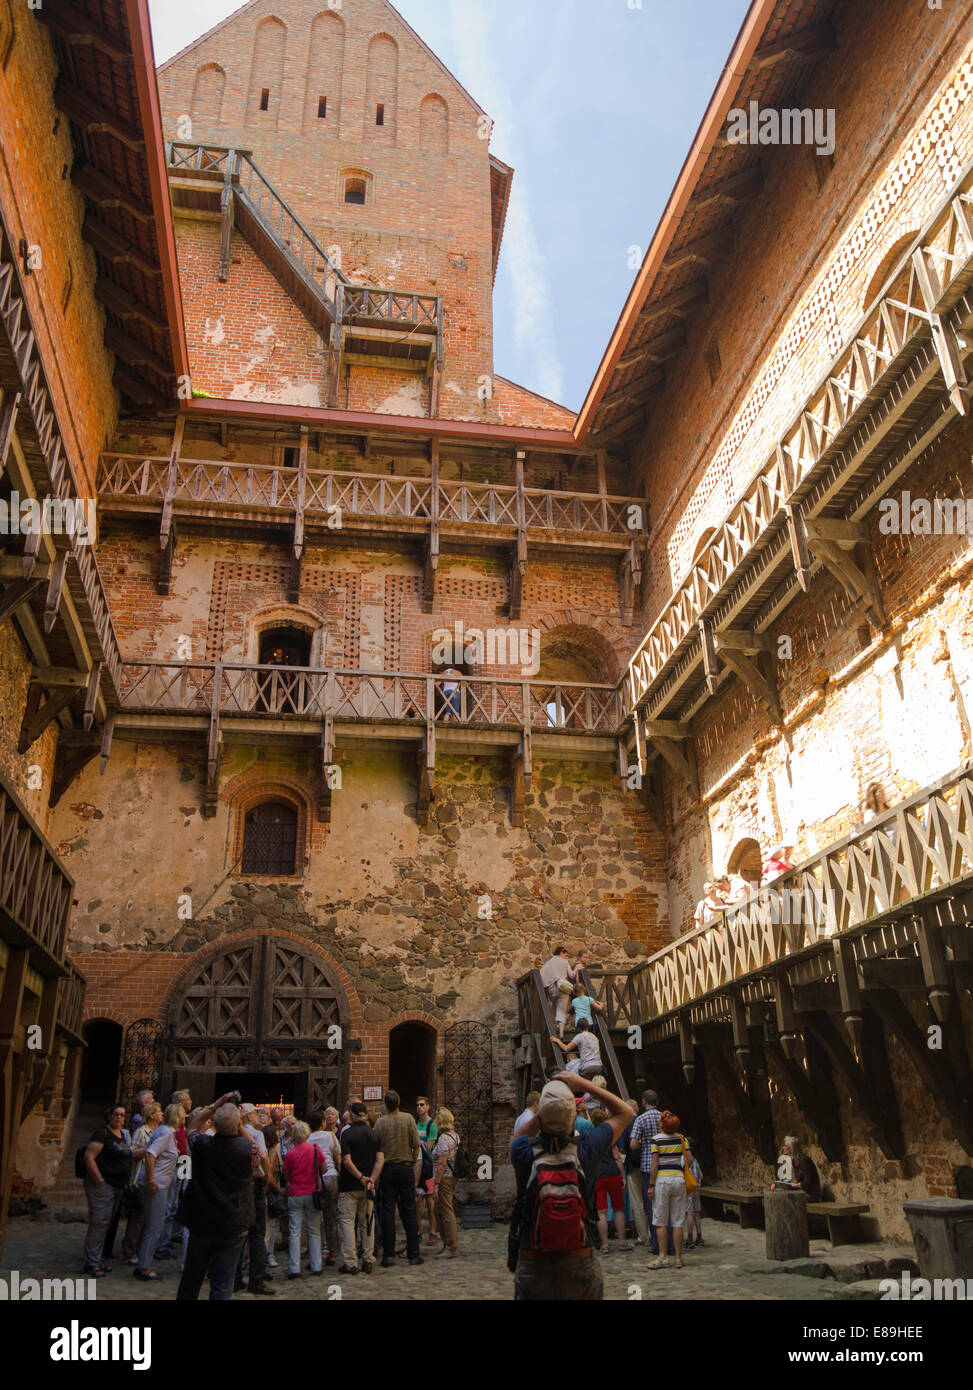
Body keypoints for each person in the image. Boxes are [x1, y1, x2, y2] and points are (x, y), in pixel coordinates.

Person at [509, 1072, 635, 1300]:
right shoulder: (587, 1148)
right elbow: (625, 1112)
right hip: (579, 1255)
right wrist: (584, 1084)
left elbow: (517, 1137)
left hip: (534, 1258)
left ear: (541, 1116)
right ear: (572, 1116)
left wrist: (544, 1112)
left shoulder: (523, 1152)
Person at [176, 1096, 256, 1301]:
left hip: (202, 1219)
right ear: (238, 1125)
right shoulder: (247, 1150)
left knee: (191, 1280)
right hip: (233, 1222)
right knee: (223, 1283)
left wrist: (215, 1105)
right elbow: (257, 1149)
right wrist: (239, 1125)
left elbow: (192, 1126)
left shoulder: (202, 1145)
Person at [82, 1103, 138, 1277]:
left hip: (116, 1185)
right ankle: (91, 1263)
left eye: (122, 1115)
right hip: (103, 1184)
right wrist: (98, 1179)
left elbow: (130, 1155)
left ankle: (97, 1259)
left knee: (105, 1223)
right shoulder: (102, 1134)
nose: (119, 1117)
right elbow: (89, 1156)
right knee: (99, 1222)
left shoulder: (122, 1135)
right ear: (109, 1116)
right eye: (116, 1114)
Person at [134, 1102, 184, 1281]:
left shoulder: (164, 1131)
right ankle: (144, 1268)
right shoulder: (166, 1133)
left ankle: (142, 1262)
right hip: (157, 1185)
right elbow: (150, 1154)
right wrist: (150, 1180)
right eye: (184, 1114)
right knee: (154, 1227)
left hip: (158, 1184)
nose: (185, 1117)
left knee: (151, 1225)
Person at [374, 1089, 423, 1267]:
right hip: (404, 1167)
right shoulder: (408, 1119)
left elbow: (375, 1147)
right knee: (409, 1211)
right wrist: (411, 1160)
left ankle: (388, 1255)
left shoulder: (380, 1123)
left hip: (387, 1169)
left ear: (386, 1104)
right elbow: (416, 1145)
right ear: (399, 1102)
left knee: (387, 1211)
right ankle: (413, 1254)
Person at [338, 1101, 384, 1274]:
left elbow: (346, 1161)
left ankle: (350, 1262)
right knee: (367, 1222)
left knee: (348, 1223)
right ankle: (368, 1259)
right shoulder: (374, 1134)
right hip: (368, 1187)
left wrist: (360, 1178)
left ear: (352, 1114)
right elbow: (380, 1160)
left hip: (349, 1185)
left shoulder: (347, 1134)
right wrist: (371, 1179)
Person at [647, 1111, 695, 1270]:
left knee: (660, 1221)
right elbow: (690, 1159)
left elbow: (654, 1165)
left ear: (662, 1124)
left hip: (662, 1180)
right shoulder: (682, 1138)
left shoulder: (656, 1140)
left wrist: (651, 1184)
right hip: (679, 1180)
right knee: (677, 1221)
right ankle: (679, 1258)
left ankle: (663, 1256)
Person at [235, 1103, 274, 1296]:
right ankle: (256, 1279)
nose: (258, 1117)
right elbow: (263, 1156)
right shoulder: (256, 1134)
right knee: (257, 1233)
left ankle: (234, 1277)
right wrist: (268, 1176)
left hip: (237, 1185)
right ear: (248, 1117)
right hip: (255, 1183)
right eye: (255, 1114)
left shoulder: (233, 1133)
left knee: (239, 1231)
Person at [283, 1121, 326, 1279]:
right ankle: (316, 1265)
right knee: (314, 1230)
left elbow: (287, 1175)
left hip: (295, 1193)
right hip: (312, 1192)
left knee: (294, 1231)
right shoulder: (315, 1149)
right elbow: (324, 1168)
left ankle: (294, 1268)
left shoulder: (290, 1153)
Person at [121, 1101, 162, 1266]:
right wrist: (150, 1149)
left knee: (146, 1219)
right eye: (159, 1112)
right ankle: (128, 1252)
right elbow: (131, 1153)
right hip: (139, 1179)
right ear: (151, 1115)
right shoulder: (141, 1132)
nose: (162, 1114)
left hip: (152, 1179)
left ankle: (139, 1250)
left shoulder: (159, 1132)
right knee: (137, 1219)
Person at [629, 1089, 664, 1256]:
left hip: (646, 1165)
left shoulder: (641, 1119)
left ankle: (655, 1242)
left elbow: (634, 1144)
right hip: (664, 1164)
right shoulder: (664, 1117)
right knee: (665, 1204)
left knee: (651, 1206)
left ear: (644, 1102)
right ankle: (669, 1242)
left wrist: (644, 1142)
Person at [590, 1107, 630, 1253]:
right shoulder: (610, 1135)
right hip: (612, 1173)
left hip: (598, 1175)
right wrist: (622, 1176)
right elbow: (617, 1157)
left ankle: (605, 1244)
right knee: (618, 1208)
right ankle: (622, 1241)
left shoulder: (590, 1136)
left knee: (601, 1211)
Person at [308, 1109, 341, 1266]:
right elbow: (337, 1155)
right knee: (331, 1217)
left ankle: (317, 1253)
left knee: (314, 1219)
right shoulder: (330, 1136)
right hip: (330, 1176)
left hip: (313, 1179)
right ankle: (332, 1252)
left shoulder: (306, 1139)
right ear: (322, 1122)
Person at [620, 1099, 650, 1247]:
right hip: (650, 1163)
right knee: (651, 1199)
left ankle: (643, 1235)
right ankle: (655, 1231)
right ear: (637, 1108)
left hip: (633, 1164)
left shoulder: (626, 1123)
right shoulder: (645, 1120)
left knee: (637, 1201)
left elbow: (623, 1147)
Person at [431, 1107, 460, 1259]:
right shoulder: (454, 1136)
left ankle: (452, 1246)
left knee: (446, 1210)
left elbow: (442, 1163)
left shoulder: (444, 1139)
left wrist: (436, 1183)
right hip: (451, 1176)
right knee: (438, 1209)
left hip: (445, 1178)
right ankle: (447, 1242)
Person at [415, 1096, 439, 1247]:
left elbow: (428, 1147)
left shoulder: (432, 1125)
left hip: (427, 1167)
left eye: (422, 1104)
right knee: (418, 1200)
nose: (419, 1107)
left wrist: (417, 1146)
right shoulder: (415, 1124)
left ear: (428, 1106)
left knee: (430, 1201)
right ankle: (417, 1232)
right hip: (418, 1165)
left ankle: (433, 1231)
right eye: (417, 1105)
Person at [263, 1124, 286, 1268]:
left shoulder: (270, 1150)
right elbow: (269, 1176)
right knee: (268, 1226)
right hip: (270, 1191)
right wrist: (279, 1190)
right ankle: (265, 1256)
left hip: (269, 1190)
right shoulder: (272, 1152)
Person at [539, 945, 574, 1039]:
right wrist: (577, 969)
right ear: (561, 953)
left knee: (553, 1005)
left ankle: (553, 1027)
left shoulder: (548, 963)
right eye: (565, 954)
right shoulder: (565, 962)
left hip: (551, 988)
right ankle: (561, 1032)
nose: (566, 956)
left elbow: (541, 975)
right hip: (562, 987)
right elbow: (571, 975)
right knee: (561, 1010)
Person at [780, 1135, 821, 1201]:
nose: (783, 1147)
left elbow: (808, 1182)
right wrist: (790, 1184)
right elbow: (798, 1179)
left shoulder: (804, 1160)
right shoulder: (794, 1161)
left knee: (786, 1199)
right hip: (802, 1191)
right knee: (782, 1193)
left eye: (786, 1146)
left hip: (811, 1194)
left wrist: (796, 1185)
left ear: (792, 1147)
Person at [683, 1134, 704, 1248]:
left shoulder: (686, 1160)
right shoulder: (695, 1160)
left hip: (689, 1189)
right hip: (697, 1188)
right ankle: (699, 1236)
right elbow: (701, 1176)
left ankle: (690, 1237)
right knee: (697, 1213)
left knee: (689, 1213)